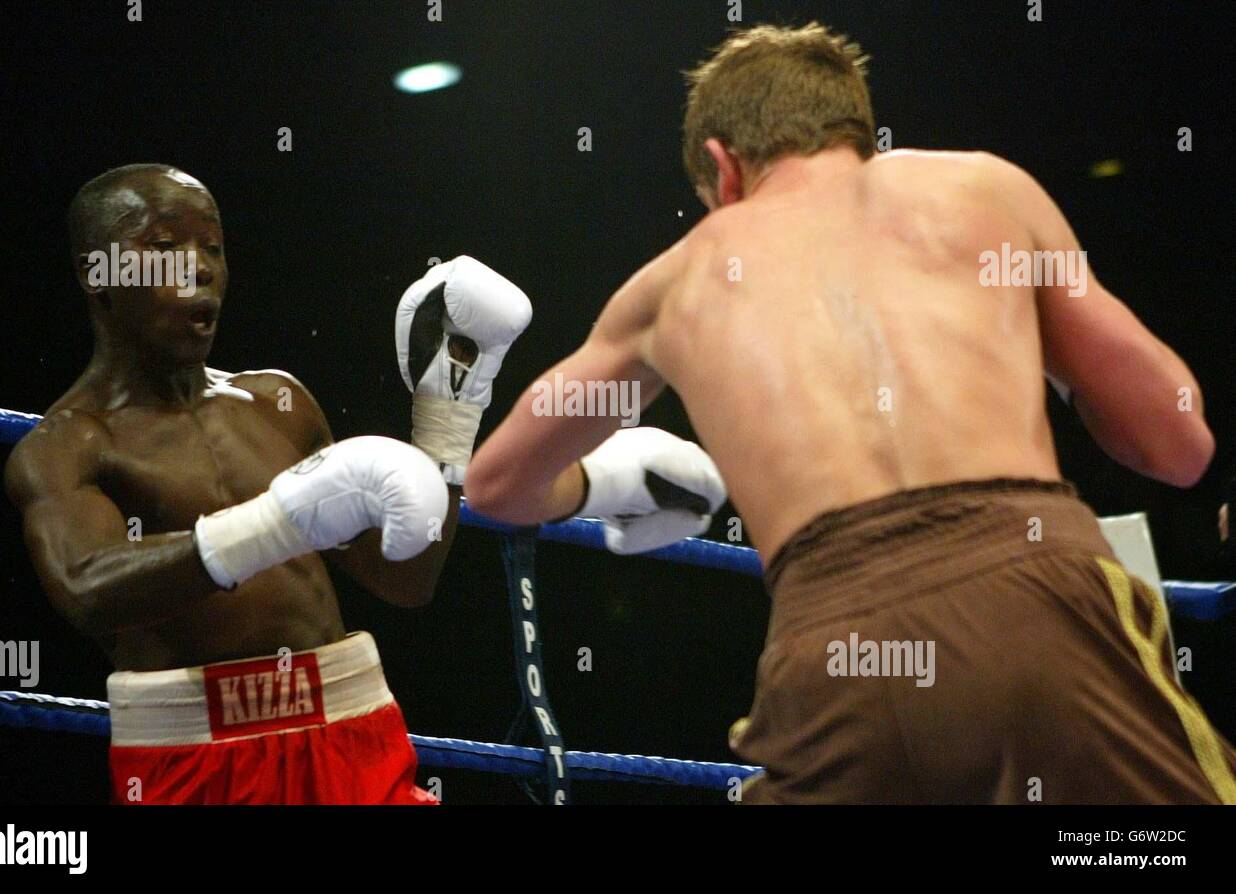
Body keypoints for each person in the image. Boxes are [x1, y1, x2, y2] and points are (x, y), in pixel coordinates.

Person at [464, 23, 1235, 803]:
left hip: (835, 656)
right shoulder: (987, 192)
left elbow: (496, 485)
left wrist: (602, 484)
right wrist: (1052, 352)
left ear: (723, 169)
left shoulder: (673, 285)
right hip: (1042, 606)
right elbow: (1178, 443)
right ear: (855, 129)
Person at [4, 164, 531, 804]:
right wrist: (277, 523)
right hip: (201, 761)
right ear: (100, 277)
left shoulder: (278, 402)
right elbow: (84, 587)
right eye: (165, 248)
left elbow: (407, 578)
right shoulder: (68, 446)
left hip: (353, 731)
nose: (198, 267)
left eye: (213, 248)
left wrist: (449, 419)